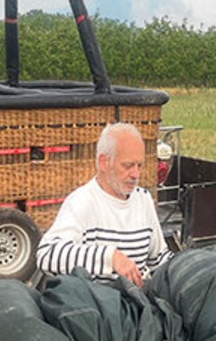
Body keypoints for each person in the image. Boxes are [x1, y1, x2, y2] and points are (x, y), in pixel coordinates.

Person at [36, 122, 170, 285]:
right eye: (127, 166)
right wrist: (111, 258)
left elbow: (160, 260)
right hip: (99, 304)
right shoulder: (82, 201)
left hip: (140, 302)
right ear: (104, 162)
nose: (136, 174)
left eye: (139, 166)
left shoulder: (144, 199)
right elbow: (47, 255)